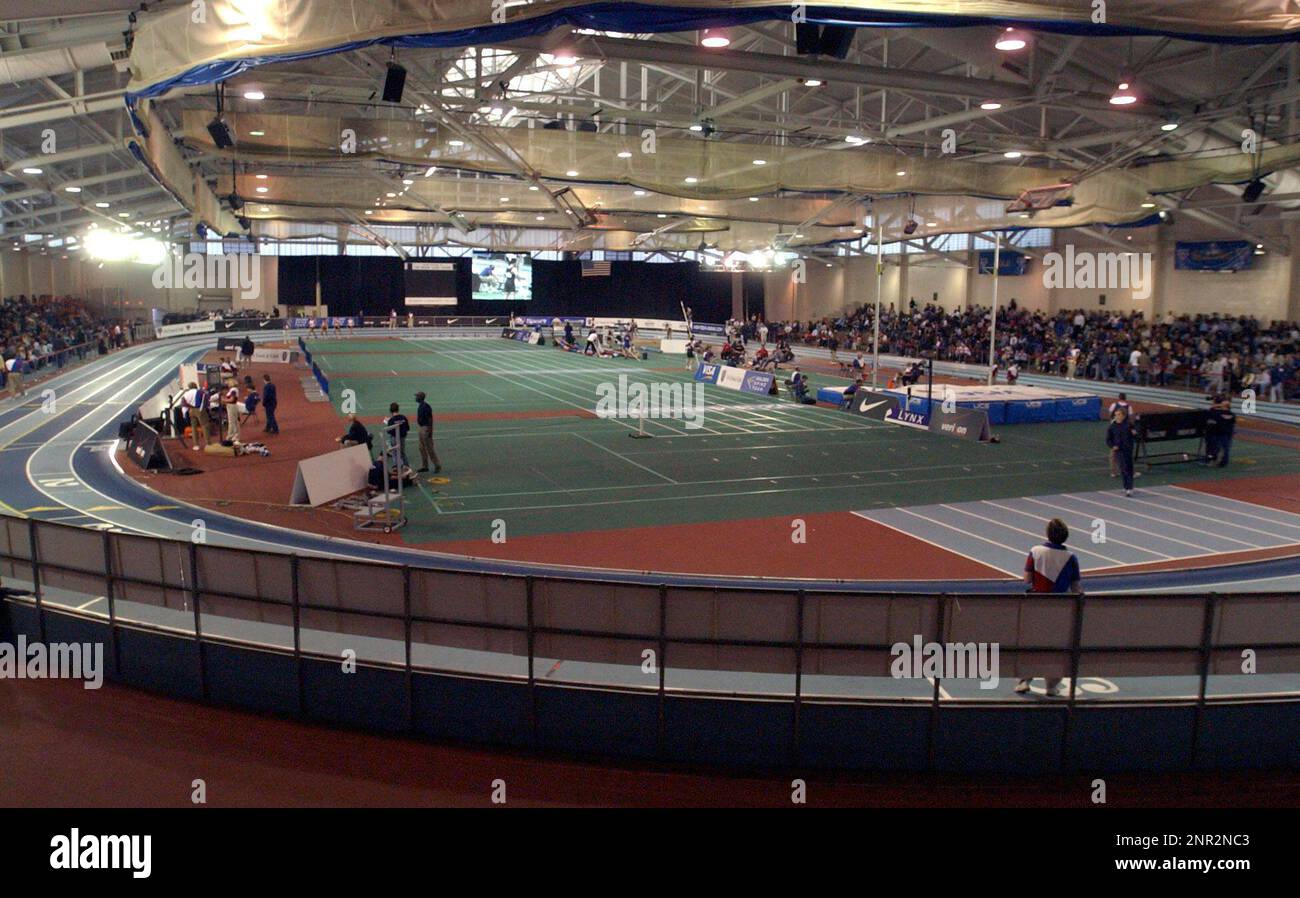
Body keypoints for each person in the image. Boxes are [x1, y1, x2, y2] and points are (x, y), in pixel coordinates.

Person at [1014, 518, 1082, 696]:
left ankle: (1023, 681)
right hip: (1061, 608)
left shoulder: (1035, 551)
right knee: (1057, 647)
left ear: (1048, 534)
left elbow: (1027, 579)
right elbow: (1076, 588)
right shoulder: (1071, 558)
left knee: (1031, 643)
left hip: (1036, 605)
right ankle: (1051, 686)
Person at [1107, 405, 1136, 496]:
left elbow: (1135, 435)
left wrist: (1134, 433)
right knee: (1123, 468)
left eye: (1119, 414)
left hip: (1128, 449)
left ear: (1123, 415)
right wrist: (1112, 446)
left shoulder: (1128, 425)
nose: (1117, 416)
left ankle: (1129, 487)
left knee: (1128, 468)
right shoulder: (1112, 426)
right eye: (1116, 414)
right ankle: (1126, 486)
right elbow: (1108, 439)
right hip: (1119, 450)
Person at [1205, 393, 1237, 467]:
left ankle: (1216, 460)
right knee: (1223, 448)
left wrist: (1217, 405)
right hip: (1224, 433)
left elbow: (1213, 411)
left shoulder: (1218, 413)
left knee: (1218, 448)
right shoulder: (1229, 414)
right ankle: (1220, 461)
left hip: (1219, 433)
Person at [414, 390, 441, 474]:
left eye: (416, 396)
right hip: (421, 428)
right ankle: (425, 466)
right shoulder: (421, 406)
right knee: (421, 448)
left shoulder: (426, 406)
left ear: (420, 397)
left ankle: (437, 465)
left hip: (425, 429)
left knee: (429, 449)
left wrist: (430, 431)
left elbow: (430, 419)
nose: (415, 398)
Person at [1107, 393, 1131, 478]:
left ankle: (1114, 472)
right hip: (1122, 433)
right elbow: (1131, 417)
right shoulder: (1129, 406)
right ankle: (1124, 471)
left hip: (1117, 433)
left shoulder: (1114, 405)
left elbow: (1110, 413)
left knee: (1114, 455)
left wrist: (1111, 420)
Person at [182, 381, 210, 451]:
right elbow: (207, 400)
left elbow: (183, 404)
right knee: (204, 426)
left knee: (193, 428)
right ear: (195, 386)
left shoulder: (186, 394)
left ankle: (196, 445)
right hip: (200, 410)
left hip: (191, 410)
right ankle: (208, 443)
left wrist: (185, 414)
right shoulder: (200, 392)